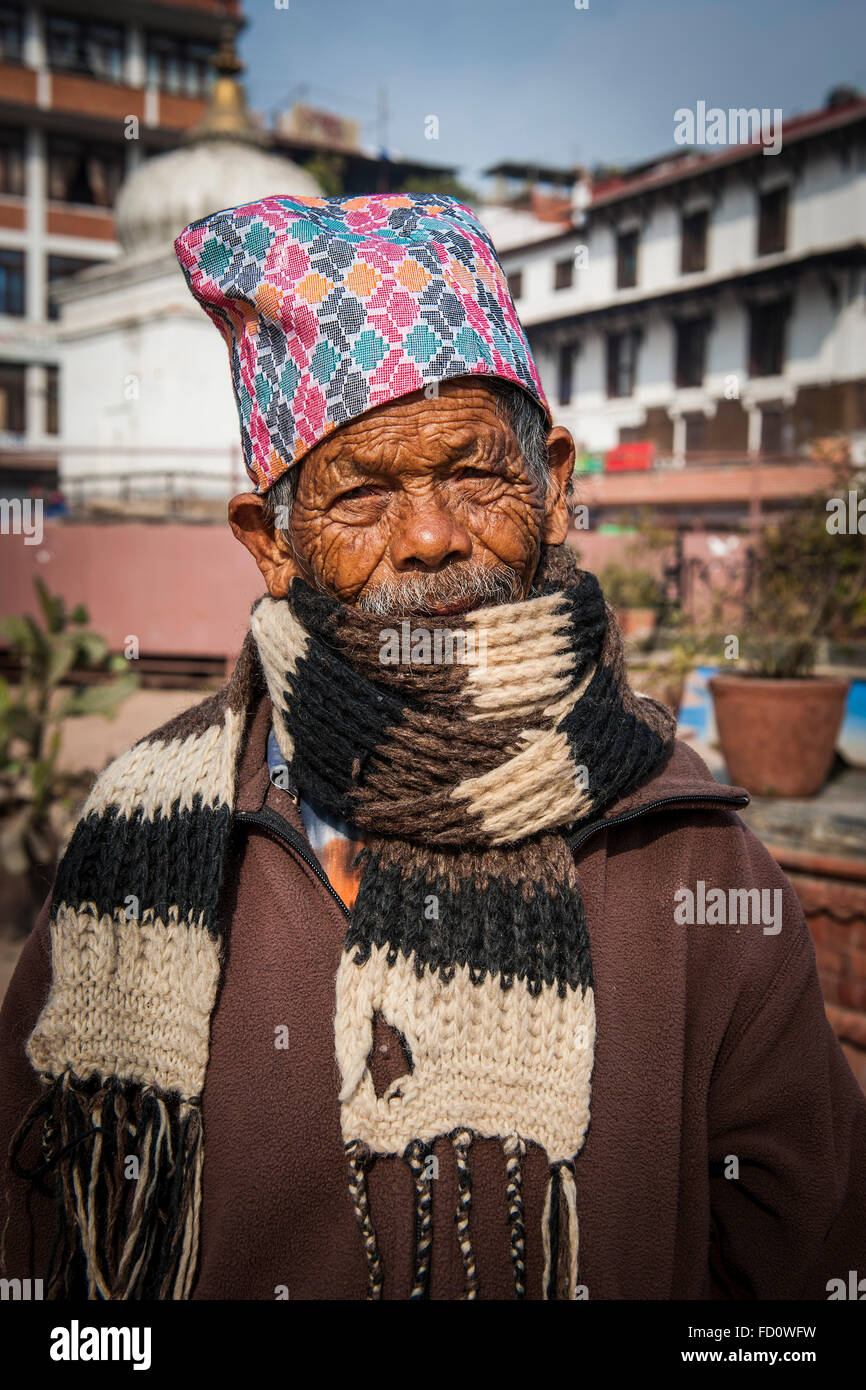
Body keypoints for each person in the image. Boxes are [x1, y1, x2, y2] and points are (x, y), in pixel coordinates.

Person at [1, 193, 864, 1301]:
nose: (427, 537)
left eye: (471, 472)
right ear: (270, 545)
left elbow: (806, 1266)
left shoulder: (691, 861)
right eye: (359, 492)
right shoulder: (151, 840)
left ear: (552, 488)